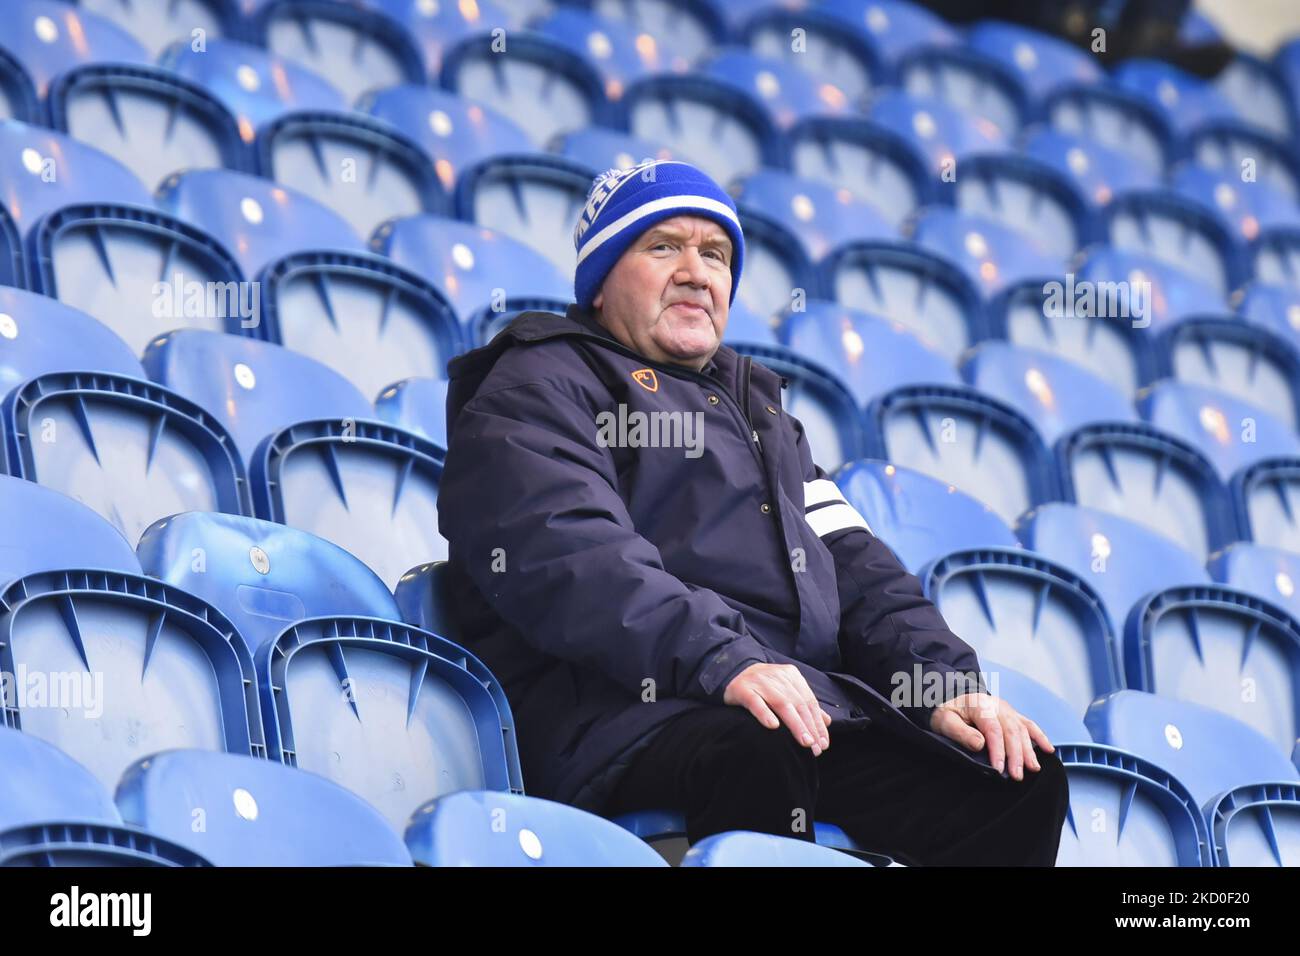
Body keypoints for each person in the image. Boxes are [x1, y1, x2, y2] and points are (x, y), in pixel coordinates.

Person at [438, 159, 1069, 865]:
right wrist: (722, 658)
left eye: (715, 254)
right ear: (602, 281)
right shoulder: (537, 382)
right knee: (765, 740)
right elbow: (573, 554)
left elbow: (861, 574)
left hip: (787, 708)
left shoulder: (762, 416)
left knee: (1015, 777)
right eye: (662, 246)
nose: (695, 271)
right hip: (623, 710)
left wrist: (943, 686)